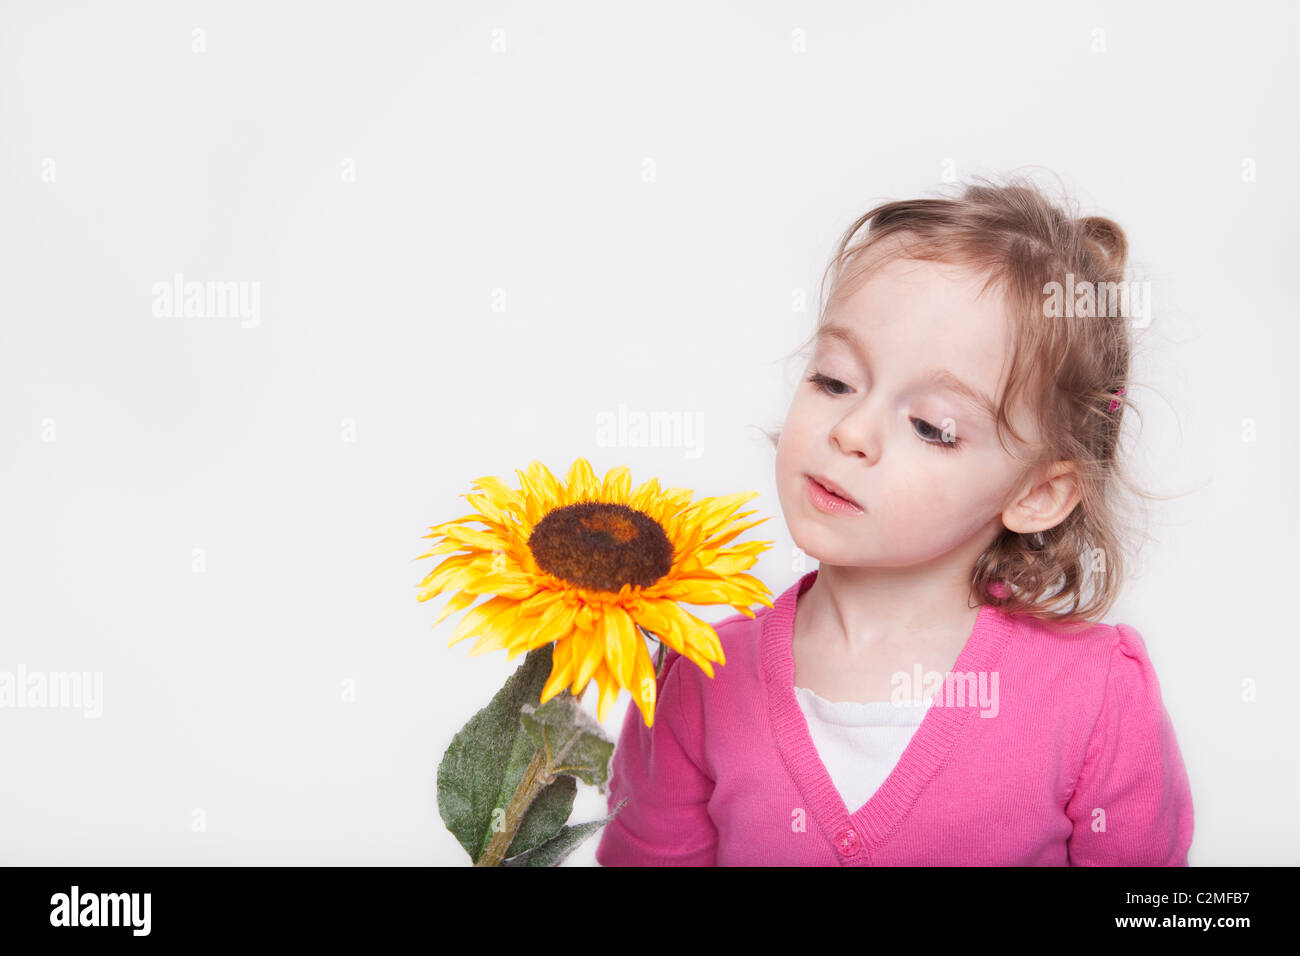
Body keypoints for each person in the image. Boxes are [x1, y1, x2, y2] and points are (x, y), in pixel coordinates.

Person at [594, 173, 1194, 866]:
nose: (852, 431)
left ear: (1037, 494)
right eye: (834, 380)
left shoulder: (1096, 699)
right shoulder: (697, 679)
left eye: (932, 427)